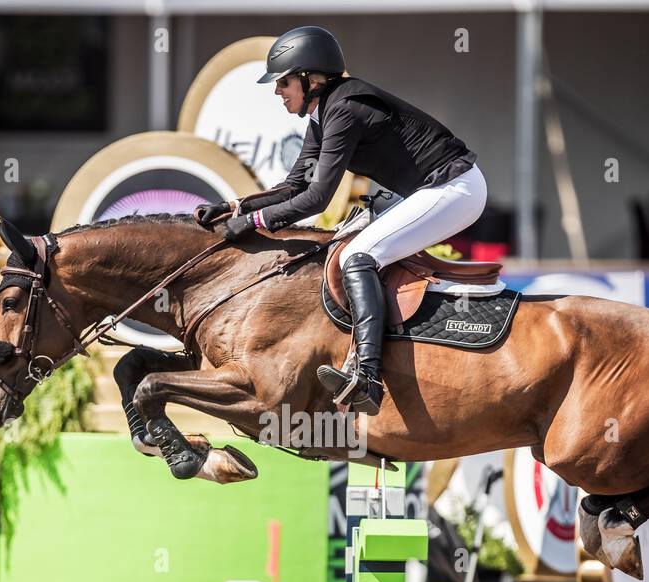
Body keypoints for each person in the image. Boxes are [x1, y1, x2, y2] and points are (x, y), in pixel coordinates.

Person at [193, 25, 486, 416]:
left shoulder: (345, 109)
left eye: (282, 83)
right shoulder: (324, 113)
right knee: (349, 248)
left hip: (454, 189)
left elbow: (317, 198)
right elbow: (294, 184)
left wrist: (256, 222)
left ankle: (367, 377)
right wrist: (235, 207)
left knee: (358, 257)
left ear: (310, 79)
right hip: (429, 190)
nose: (277, 92)